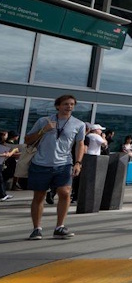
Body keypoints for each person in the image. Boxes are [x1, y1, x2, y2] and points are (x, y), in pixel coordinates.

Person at [23, 94, 86, 239]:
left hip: (64, 164)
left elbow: (80, 144)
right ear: (58, 106)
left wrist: (78, 162)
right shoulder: (43, 121)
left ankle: (60, 227)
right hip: (41, 164)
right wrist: (43, 130)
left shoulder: (79, 124)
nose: (69, 107)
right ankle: (36, 228)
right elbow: (27, 140)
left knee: (65, 192)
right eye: (65, 104)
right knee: (39, 196)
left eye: (71, 104)